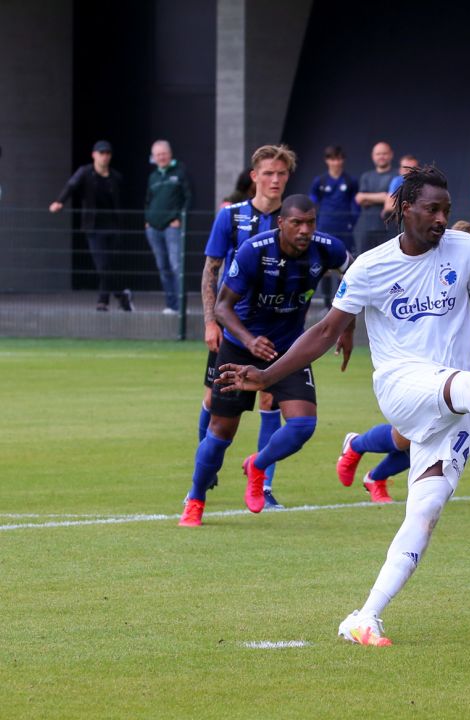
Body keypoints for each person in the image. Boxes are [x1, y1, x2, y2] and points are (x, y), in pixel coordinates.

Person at [215, 165, 470, 646]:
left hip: (452, 405)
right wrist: (266, 375)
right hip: (403, 385)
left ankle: (365, 616)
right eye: (432, 209)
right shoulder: (370, 266)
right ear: (406, 209)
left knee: (424, 514)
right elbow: (325, 331)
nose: (441, 218)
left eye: (446, 210)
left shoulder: (466, 250)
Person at [179, 195, 353, 526]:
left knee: (303, 426)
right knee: (220, 433)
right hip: (240, 347)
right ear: (281, 223)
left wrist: (348, 325)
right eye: (297, 223)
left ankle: (257, 465)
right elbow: (222, 307)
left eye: (310, 223)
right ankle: (196, 499)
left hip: (289, 349)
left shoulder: (327, 248)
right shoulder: (254, 251)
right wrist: (249, 341)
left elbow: (357, 275)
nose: (305, 230)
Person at [335, 220, 470, 503]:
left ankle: (373, 474)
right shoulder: (428, 277)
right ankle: (359, 448)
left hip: (456, 369)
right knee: (414, 435)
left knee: (433, 438)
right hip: (416, 368)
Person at [199, 144, 295, 508]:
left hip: (275, 328)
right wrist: (210, 321)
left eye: (281, 173)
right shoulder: (230, 216)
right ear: (254, 176)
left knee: (270, 399)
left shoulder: (294, 219)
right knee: (215, 398)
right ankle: (206, 467)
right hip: (233, 326)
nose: (275, 180)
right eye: (268, 173)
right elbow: (211, 271)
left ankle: (263, 485)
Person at [49, 140, 132, 312]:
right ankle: (119, 295)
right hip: (94, 227)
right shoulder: (85, 173)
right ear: (94, 155)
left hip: (113, 226)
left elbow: (121, 201)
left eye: (108, 153)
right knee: (102, 265)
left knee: (109, 265)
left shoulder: (116, 177)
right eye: (101, 153)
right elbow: (71, 186)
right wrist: (59, 201)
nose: (105, 157)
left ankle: (104, 301)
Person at [144, 140, 192, 315]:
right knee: (162, 267)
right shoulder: (153, 176)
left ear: (170, 154)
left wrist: (180, 218)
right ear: (153, 157)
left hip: (172, 227)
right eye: (157, 155)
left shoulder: (180, 172)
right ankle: (171, 305)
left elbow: (188, 197)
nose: (161, 157)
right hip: (153, 228)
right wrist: (147, 220)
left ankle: (181, 307)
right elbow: (148, 200)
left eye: (163, 154)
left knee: (176, 266)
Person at [310, 145, 359, 307]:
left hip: (344, 229)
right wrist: (315, 222)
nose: (336, 162)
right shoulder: (320, 181)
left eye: (338, 159)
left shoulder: (350, 181)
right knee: (324, 266)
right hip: (325, 227)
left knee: (343, 266)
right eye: (332, 159)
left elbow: (356, 204)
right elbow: (312, 203)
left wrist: (352, 221)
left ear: (343, 160)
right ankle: (326, 304)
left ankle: (339, 303)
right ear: (327, 161)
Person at [354, 141, 395, 254]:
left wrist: (368, 197)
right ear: (373, 156)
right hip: (366, 229)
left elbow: (393, 200)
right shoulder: (366, 176)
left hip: (389, 229)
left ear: (391, 154)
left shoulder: (397, 176)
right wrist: (384, 196)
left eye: (384, 153)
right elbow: (360, 199)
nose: (381, 156)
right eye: (378, 154)